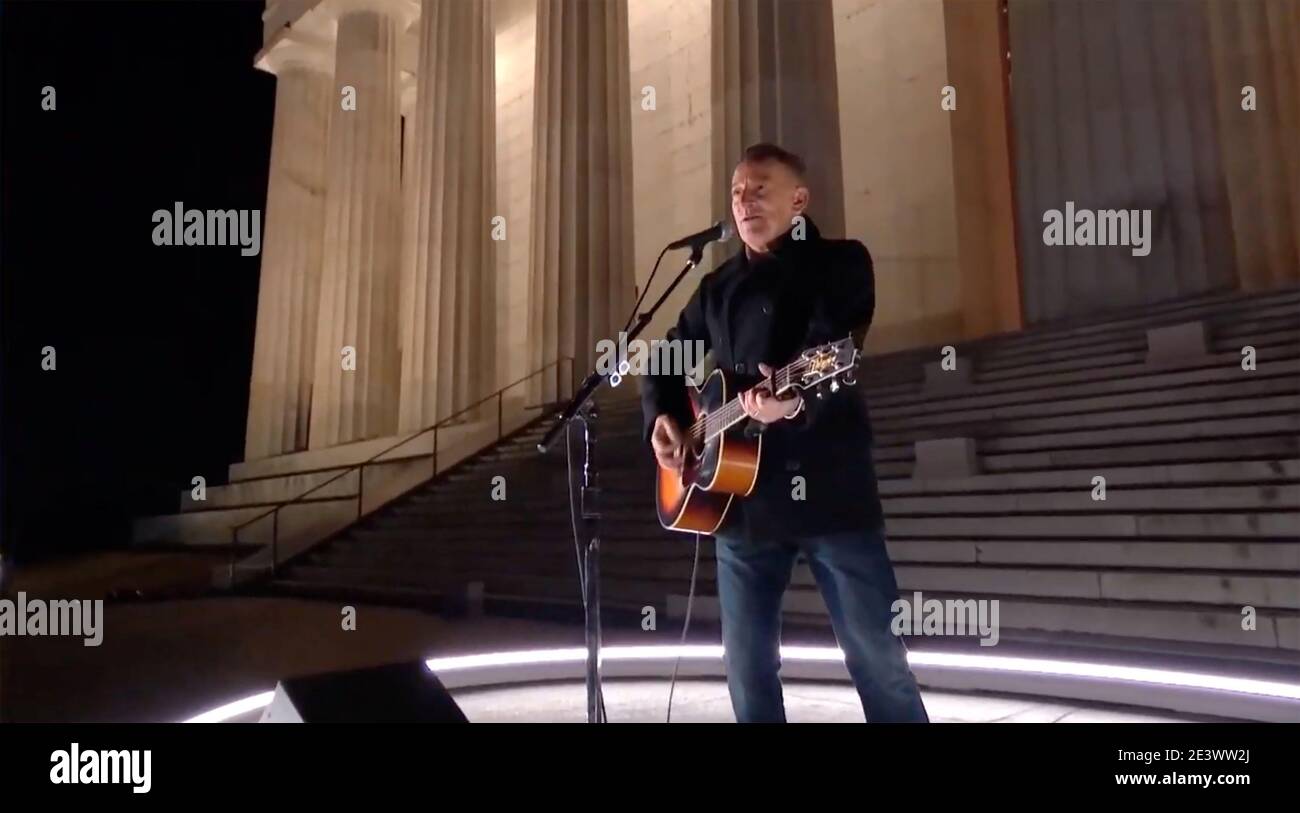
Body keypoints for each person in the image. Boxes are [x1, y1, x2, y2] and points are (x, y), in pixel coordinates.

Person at [640, 142, 929, 723]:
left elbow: (833, 353)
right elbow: (666, 360)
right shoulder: (716, 287)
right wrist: (665, 420)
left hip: (830, 493)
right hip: (740, 507)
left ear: (798, 199)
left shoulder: (842, 263)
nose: (744, 201)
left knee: (877, 657)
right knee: (746, 669)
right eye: (737, 192)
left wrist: (792, 404)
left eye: (760, 188)